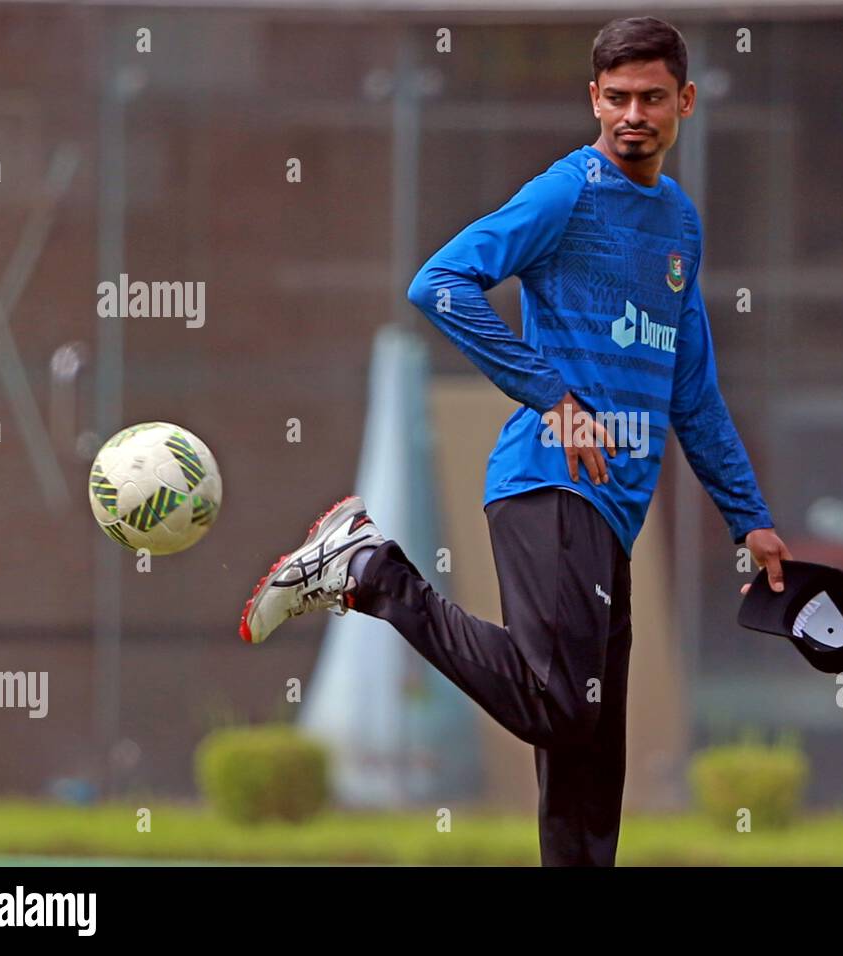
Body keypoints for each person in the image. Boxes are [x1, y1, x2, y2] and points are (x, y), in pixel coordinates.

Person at [238, 16, 790, 866]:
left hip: (613, 512)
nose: (632, 114)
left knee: (588, 762)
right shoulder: (567, 193)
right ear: (593, 100)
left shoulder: (678, 223)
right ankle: (368, 569)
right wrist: (553, 399)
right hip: (548, 482)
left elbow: (694, 390)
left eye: (651, 97)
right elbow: (440, 284)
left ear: (684, 101)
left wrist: (747, 518)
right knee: (561, 705)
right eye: (616, 98)